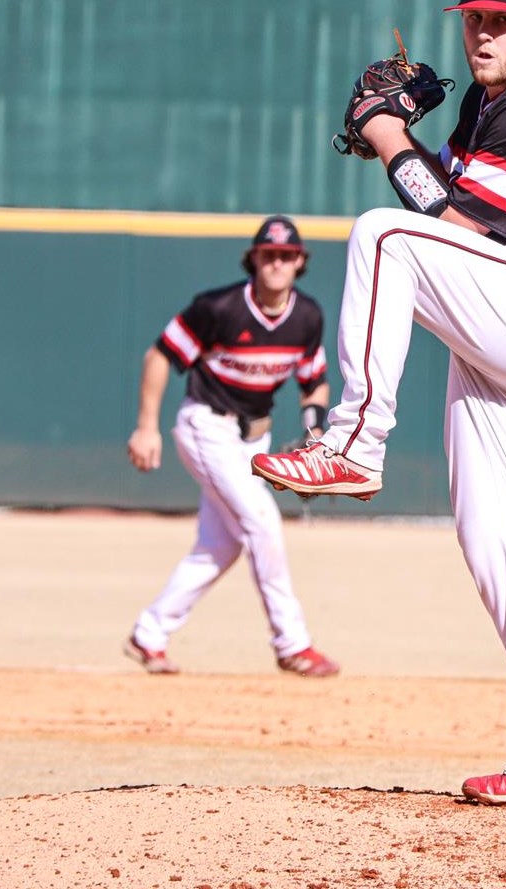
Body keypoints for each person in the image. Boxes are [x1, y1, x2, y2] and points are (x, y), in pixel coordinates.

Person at [251, 0, 506, 807]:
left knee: (381, 239)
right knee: (495, 546)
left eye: (503, 20)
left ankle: (354, 441)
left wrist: (385, 133)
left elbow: (436, 225)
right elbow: (444, 202)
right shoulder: (489, 101)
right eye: (474, 20)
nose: (484, 33)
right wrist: (401, 139)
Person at [123, 216, 340, 679]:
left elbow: (314, 381)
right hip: (206, 427)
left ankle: (150, 633)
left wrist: (315, 432)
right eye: (269, 254)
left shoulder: (306, 316)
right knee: (263, 523)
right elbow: (160, 355)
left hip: (253, 437)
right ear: (254, 258)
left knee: (217, 548)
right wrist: (146, 427)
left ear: (300, 261)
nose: (277, 262)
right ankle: (292, 644)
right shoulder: (218, 308)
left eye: (286, 255)